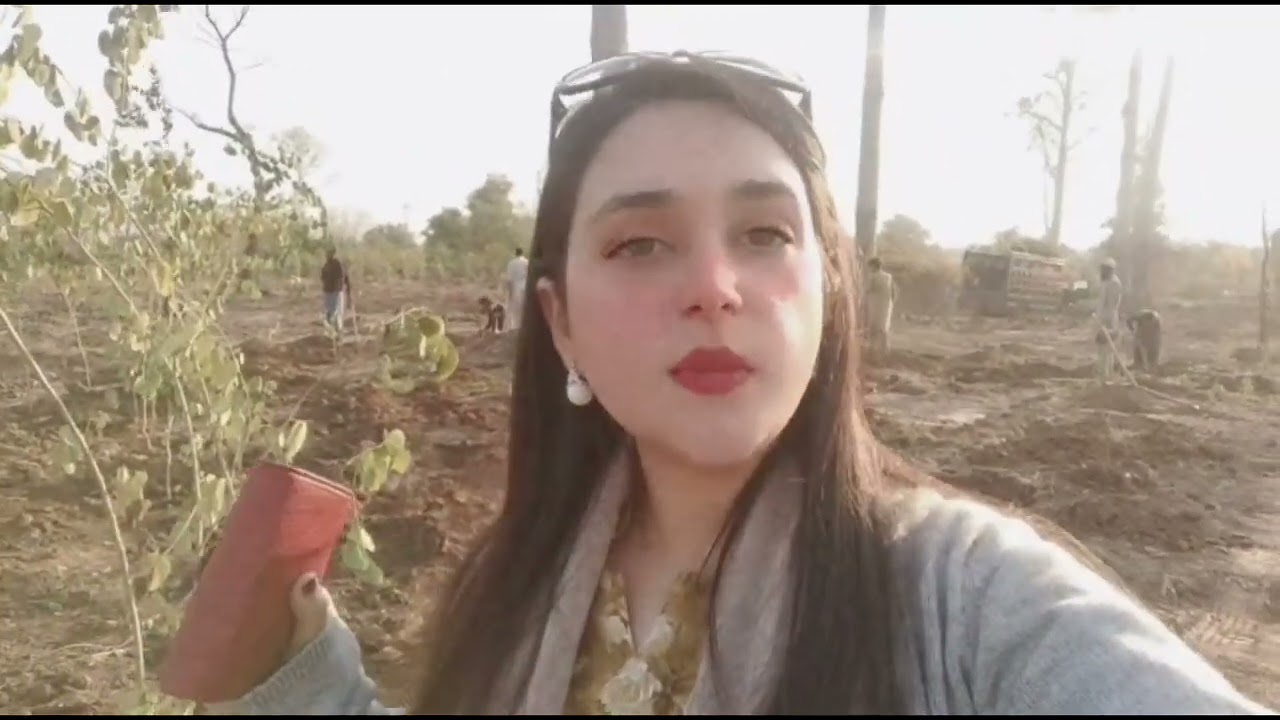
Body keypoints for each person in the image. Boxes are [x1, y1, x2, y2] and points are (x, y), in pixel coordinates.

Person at [210, 52, 1270, 715]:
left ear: (830, 292)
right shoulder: (511, 587)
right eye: (638, 245)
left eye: (763, 233)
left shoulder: (965, 599)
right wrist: (313, 679)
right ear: (559, 323)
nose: (715, 288)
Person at [1094, 257, 1124, 384]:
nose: (1102, 271)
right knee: (1102, 348)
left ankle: (1106, 377)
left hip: (1109, 320)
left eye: (1104, 269)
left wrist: (1109, 326)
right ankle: (1103, 376)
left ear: (1110, 270)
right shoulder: (1105, 282)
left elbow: (1112, 306)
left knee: (1107, 349)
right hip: (1102, 319)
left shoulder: (1114, 283)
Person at [863, 256, 896, 360]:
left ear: (873, 266)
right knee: (884, 328)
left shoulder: (873, 276)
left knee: (873, 328)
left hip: (876, 304)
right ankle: (884, 351)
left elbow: (867, 290)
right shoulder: (888, 276)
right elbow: (893, 291)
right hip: (886, 305)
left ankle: (872, 351)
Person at [320, 246, 351, 332]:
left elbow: (345, 278)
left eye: (328, 253)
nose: (326, 255)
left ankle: (336, 333)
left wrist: (348, 294)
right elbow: (323, 278)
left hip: (336, 292)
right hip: (329, 292)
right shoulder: (327, 265)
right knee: (331, 313)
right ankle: (333, 333)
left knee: (335, 313)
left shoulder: (337, 264)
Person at [1127, 308, 1163, 372]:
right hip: (1141, 332)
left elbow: (1157, 335)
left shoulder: (1157, 319)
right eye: (1148, 322)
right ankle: (1138, 364)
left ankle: (1152, 365)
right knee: (1138, 346)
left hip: (1152, 335)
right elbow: (1129, 320)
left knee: (1153, 347)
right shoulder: (1139, 315)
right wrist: (1132, 329)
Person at [505, 247, 530, 332]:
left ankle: (517, 327)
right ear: (522, 253)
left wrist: (509, 290)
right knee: (525, 307)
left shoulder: (511, 263)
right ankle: (524, 326)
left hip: (516, 286)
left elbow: (509, 279)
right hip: (526, 285)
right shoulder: (527, 262)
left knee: (516, 308)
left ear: (515, 253)